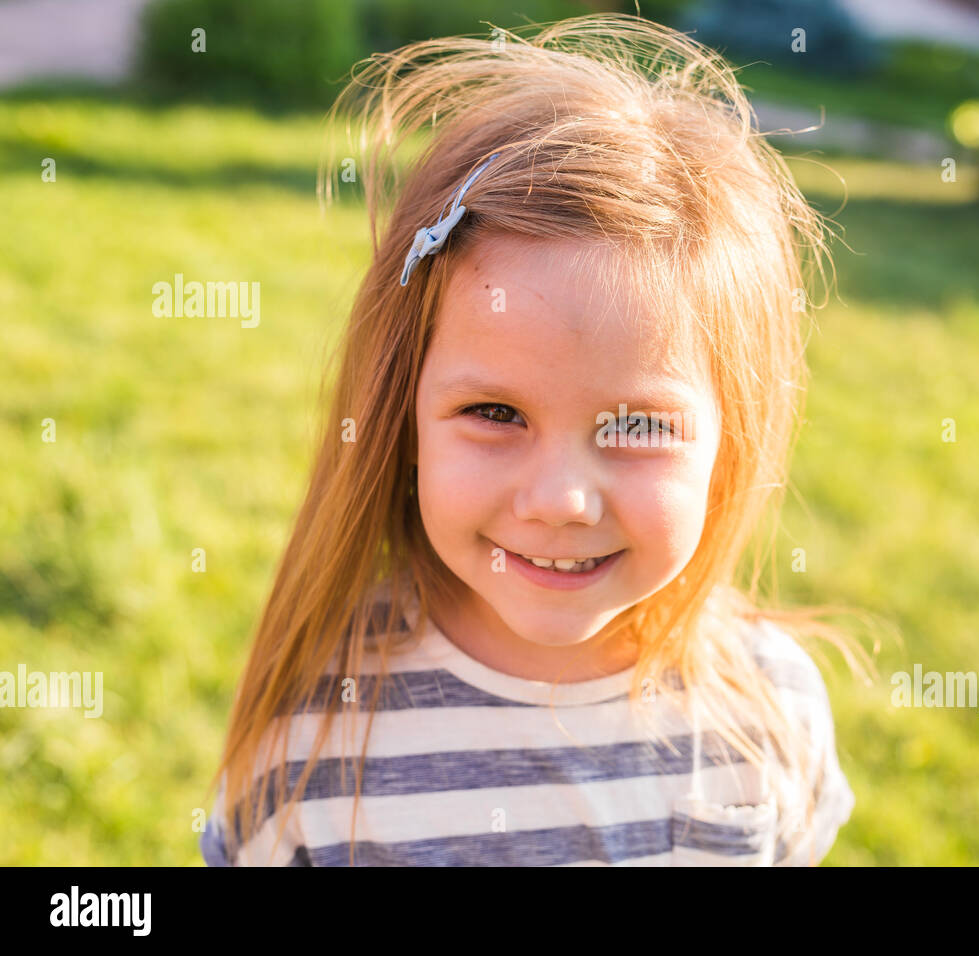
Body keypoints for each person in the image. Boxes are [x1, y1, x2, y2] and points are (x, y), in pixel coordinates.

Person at [200, 12, 871, 867]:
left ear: (729, 438)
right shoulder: (315, 738)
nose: (558, 500)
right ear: (403, 413)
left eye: (635, 426)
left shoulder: (768, 712)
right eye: (497, 414)